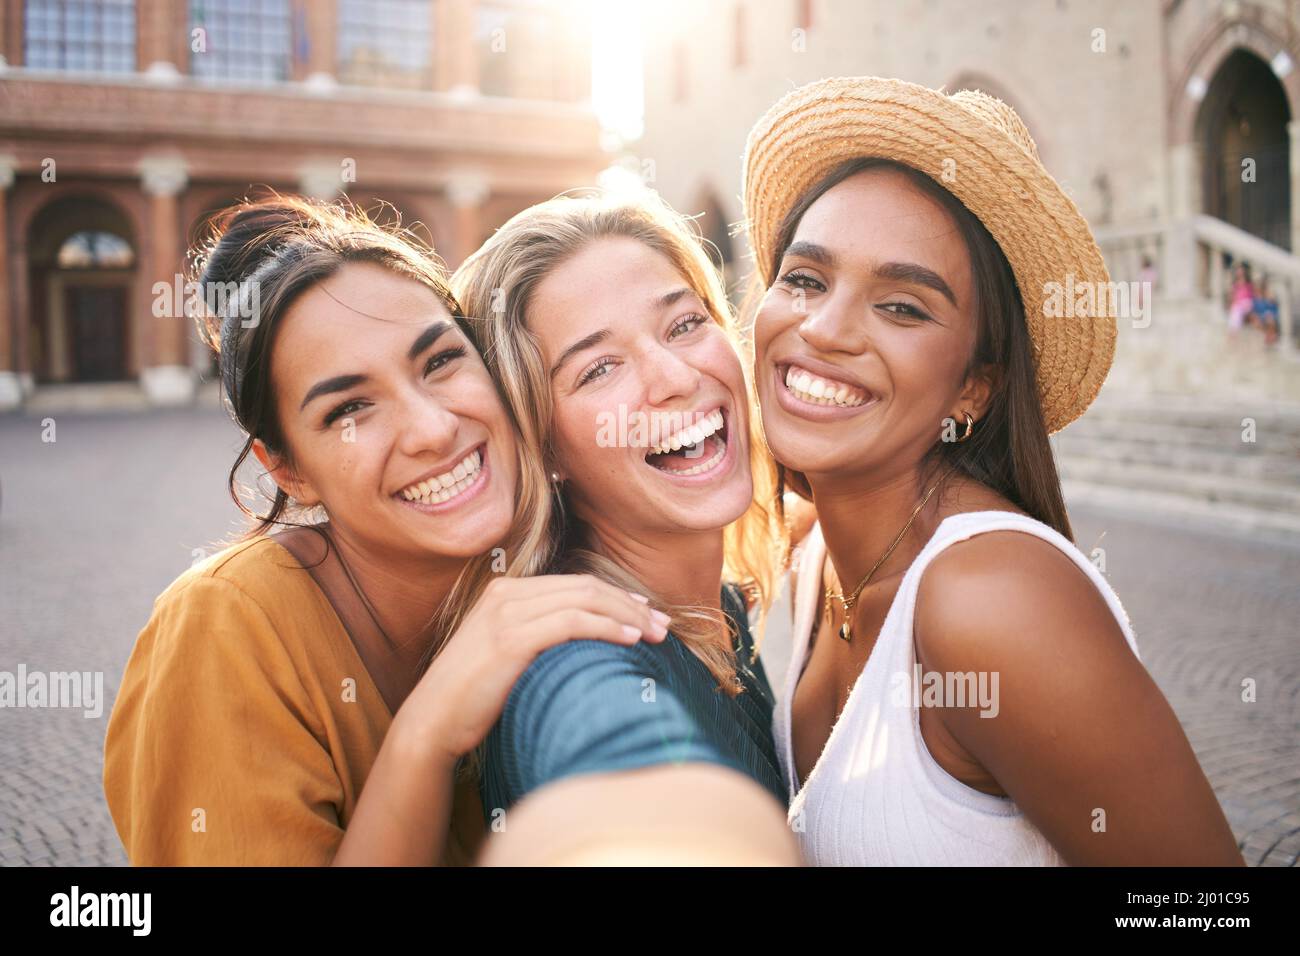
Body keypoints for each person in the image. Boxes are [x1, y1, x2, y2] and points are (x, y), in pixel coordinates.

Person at [741, 76, 1244, 865]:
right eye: (805, 279)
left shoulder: (990, 601)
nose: (824, 328)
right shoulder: (812, 555)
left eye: (903, 306)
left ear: (975, 385)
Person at [103, 196, 667, 866]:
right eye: (352, 408)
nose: (432, 429)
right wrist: (425, 734)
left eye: (439, 362)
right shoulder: (227, 626)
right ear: (288, 470)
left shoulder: (552, 560)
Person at [452, 191, 800, 865]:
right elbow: (616, 766)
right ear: (541, 446)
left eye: (684, 325)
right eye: (599, 368)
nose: (675, 377)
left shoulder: (718, 603)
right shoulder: (576, 656)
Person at [1228, 262, 1257, 334]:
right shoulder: (1235, 284)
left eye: (1241, 270)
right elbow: (1232, 296)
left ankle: (1234, 331)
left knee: (1237, 309)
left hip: (1247, 303)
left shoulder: (1248, 283)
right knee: (1235, 309)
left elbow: (1252, 295)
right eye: (1238, 270)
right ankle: (1233, 330)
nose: (1239, 272)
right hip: (1238, 304)